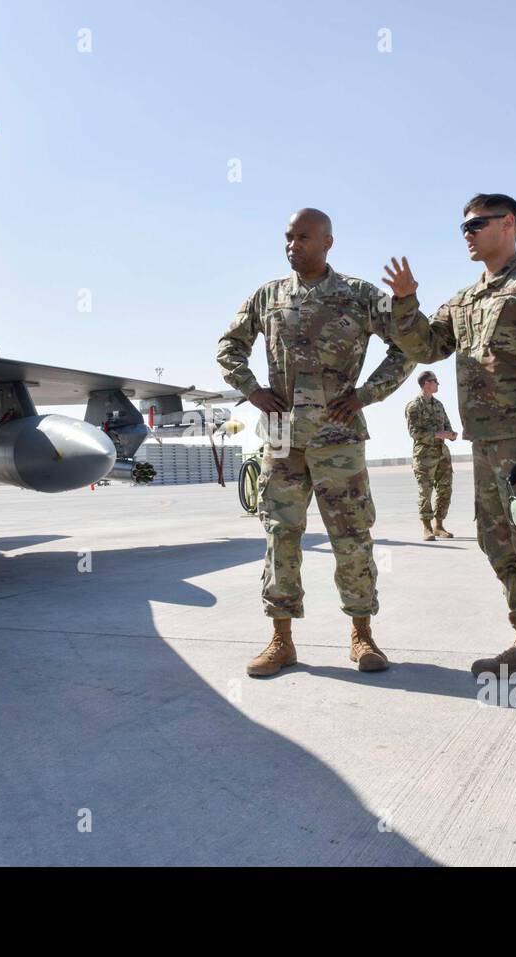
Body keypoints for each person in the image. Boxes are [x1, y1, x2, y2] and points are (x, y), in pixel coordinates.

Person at [382, 192, 516, 700]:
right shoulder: (464, 299)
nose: (468, 233)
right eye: (463, 227)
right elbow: (426, 346)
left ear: (510, 224)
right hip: (485, 444)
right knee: (498, 541)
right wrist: (406, 301)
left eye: (477, 224)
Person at [217, 208, 415, 677]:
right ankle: (281, 639)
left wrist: (365, 395)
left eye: (303, 237)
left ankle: (362, 636)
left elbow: (406, 345)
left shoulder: (358, 295)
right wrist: (252, 390)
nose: (293, 245)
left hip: (338, 436)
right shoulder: (267, 296)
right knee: (280, 535)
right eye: (288, 237)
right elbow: (229, 347)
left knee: (351, 537)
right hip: (283, 439)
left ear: (328, 241)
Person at [405, 371, 456, 540]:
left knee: (445, 490)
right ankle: (426, 528)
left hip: (442, 454)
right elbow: (414, 432)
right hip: (424, 456)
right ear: (427, 383)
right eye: (436, 382)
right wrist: (437, 434)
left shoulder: (439, 405)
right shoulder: (414, 406)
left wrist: (451, 434)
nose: (438, 385)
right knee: (425, 492)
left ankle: (439, 525)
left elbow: (447, 425)